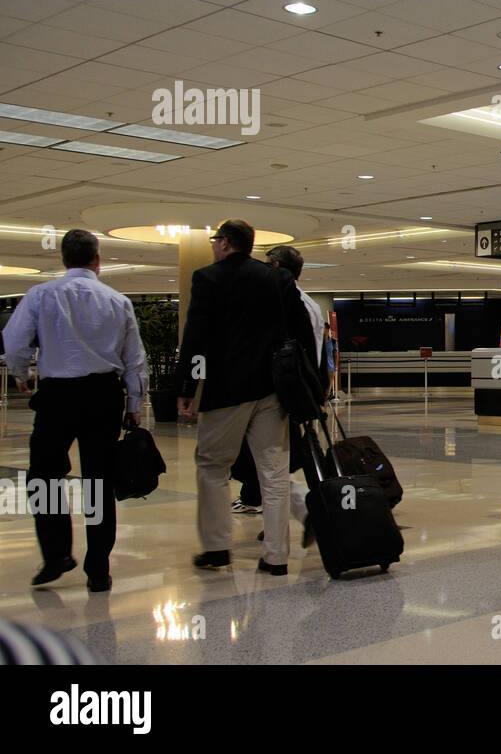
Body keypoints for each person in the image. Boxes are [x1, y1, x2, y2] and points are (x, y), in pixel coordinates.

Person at [2, 229, 147, 592]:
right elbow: (135, 360)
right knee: (98, 480)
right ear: (97, 260)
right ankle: (98, 566)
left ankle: (57, 553)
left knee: (45, 474)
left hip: (57, 396)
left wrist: (23, 374)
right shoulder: (118, 301)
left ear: (64, 259)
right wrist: (134, 404)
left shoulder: (41, 295)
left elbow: (15, 341)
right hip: (103, 395)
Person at [178, 219, 315, 576]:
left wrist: (187, 389)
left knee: (212, 466)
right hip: (272, 389)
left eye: (214, 240)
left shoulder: (207, 279)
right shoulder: (277, 278)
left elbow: (195, 339)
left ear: (225, 243)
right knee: (273, 471)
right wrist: (309, 384)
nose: (212, 245)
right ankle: (276, 556)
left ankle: (218, 548)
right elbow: (303, 335)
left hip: (226, 390)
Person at [235, 244, 324, 548]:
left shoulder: (285, 301)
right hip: (298, 393)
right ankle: (278, 519)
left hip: (280, 394)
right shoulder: (310, 304)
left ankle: (303, 509)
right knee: (274, 458)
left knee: (267, 460)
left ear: (274, 267)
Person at [323, 323, 337, 399]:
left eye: (324, 328)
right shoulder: (319, 341)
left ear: (328, 330)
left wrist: (336, 367)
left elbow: (335, 355)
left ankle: (327, 399)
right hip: (321, 368)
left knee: (327, 390)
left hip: (330, 368)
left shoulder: (333, 341)